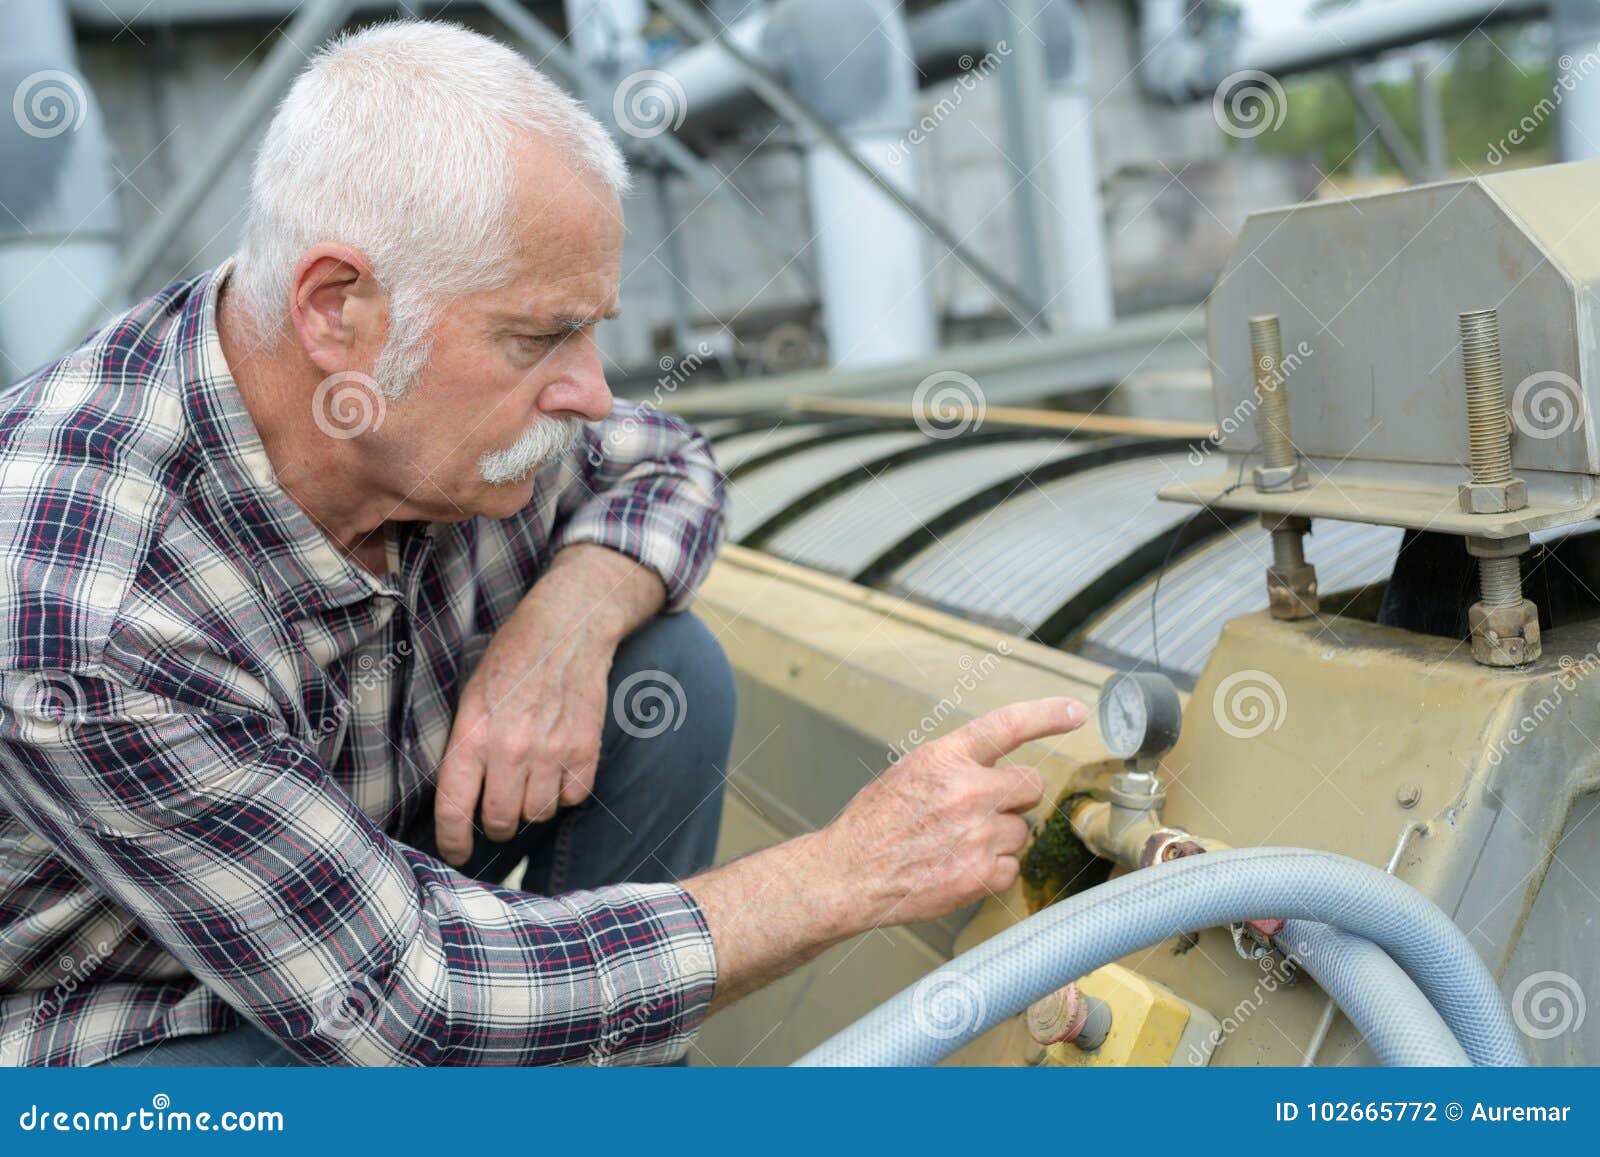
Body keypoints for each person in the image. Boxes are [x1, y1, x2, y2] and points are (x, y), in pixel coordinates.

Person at [0, 21, 1082, 1067]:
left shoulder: (426, 406)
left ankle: (592, 1099)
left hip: (348, 915)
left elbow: (668, 462)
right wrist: (845, 874)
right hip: (123, 1038)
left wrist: (571, 614)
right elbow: (405, 1006)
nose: (591, 387)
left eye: (591, 324)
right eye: (541, 334)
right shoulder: (80, 602)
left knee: (664, 674)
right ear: (335, 309)